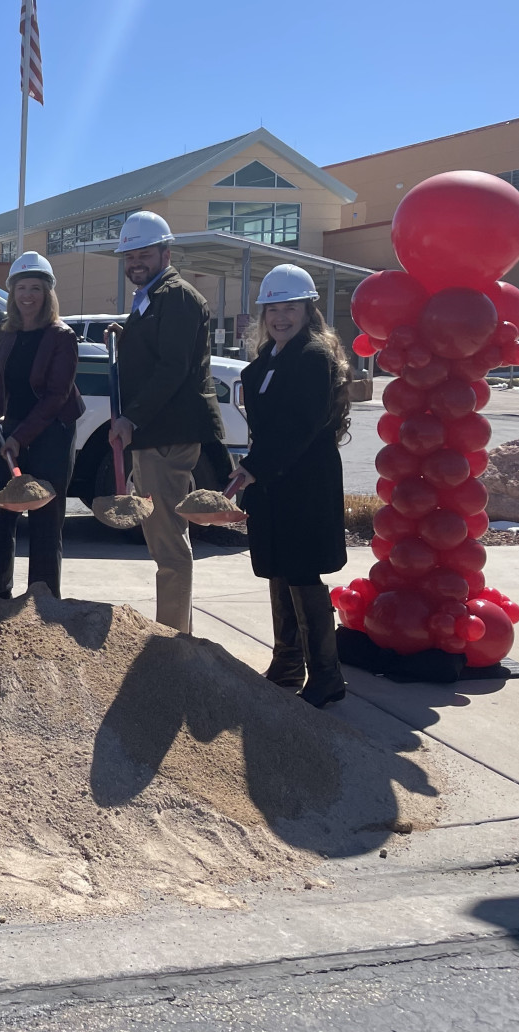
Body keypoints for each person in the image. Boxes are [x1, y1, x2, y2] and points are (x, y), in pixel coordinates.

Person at [230, 265, 351, 707]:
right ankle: (286, 663)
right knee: (278, 565)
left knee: (301, 569)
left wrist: (254, 467)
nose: (281, 317)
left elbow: (299, 426)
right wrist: (255, 470)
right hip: (274, 480)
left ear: (307, 310)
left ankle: (326, 675)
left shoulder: (313, 357)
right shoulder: (266, 362)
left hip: (305, 480)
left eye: (291, 308)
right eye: (273, 309)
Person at [106, 211, 225, 634]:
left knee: (168, 542)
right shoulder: (151, 298)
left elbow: (173, 367)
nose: (135, 261)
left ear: (165, 252)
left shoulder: (176, 296)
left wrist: (131, 418)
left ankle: (172, 643)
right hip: (155, 432)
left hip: (167, 433)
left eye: (144, 254)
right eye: (130, 255)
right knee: (167, 537)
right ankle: (178, 635)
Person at [0, 252, 84, 600]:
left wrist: (20, 438)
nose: (28, 295)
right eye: (21, 287)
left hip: (53, 431)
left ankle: (43, 600)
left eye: (36, 288)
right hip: (16, 427)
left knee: (45, 519)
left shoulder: (61, 336)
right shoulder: (4, 331)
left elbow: (56, 396)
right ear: (11, 292)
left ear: (47, 293)